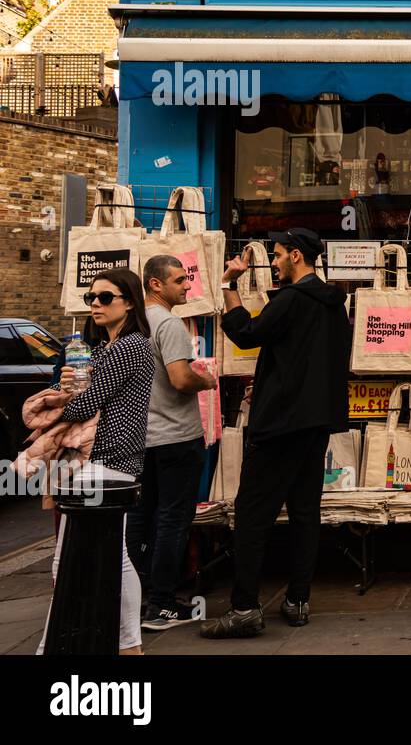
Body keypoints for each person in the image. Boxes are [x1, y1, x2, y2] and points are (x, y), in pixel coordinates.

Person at [201, 228, 350, 639]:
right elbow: (305, 359)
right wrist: (268, 380)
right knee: (305, 512)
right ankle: (298, 600)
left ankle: (245, 608)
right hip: (316, 422)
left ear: (297, 257)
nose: (274, 261)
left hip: (281, 425)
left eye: (279, 255)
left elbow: (247, 334)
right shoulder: (335, 303)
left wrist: (230, 284)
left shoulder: (291, 300)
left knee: (252, 514)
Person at [37, 269, 155, 655]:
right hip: (98, 460)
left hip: (106, 460)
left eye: (106, 298)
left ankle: (61, 644)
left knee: (71, 556)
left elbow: (86, 402)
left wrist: (64, 396)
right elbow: (79, 394)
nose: (95, 305)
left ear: (130, 302)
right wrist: (68, 385)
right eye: (91, 298)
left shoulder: (129, 346)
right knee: (100, 553)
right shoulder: (103, 348)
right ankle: (124, 644)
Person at [126, 254, 219, 631]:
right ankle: (162, 604)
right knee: (173, 519)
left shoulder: (132, 323)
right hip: (177, 438)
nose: (187, 286)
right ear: (155, 284)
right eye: (180, 280)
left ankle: (135, 597)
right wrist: (206, 379)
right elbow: (181, 379)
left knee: (141, 516)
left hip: (142, 438)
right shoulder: (169, 324)